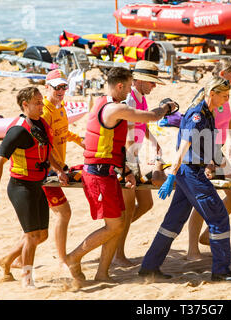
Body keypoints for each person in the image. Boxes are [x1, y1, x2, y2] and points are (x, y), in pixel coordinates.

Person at [65, 67, 174, 283]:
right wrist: (167, 107)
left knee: (119, 223)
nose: (130, 91)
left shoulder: (102, 102)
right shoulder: (114, 108)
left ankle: (103, 273)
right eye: (128, 86)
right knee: (115, 225)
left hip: (110, 171)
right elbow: (152, 116)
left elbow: (117, 144)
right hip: (98, 174)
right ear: (120, 85)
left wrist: (125, 170)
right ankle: (73, 257)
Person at [138, 77, 231, 283]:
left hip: (192, 171)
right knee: (219, 217)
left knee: (173, 221)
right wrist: (171, 176)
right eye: (224, 96)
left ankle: (149, 267)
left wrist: (210, 165)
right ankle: (221, 271)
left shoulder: (207, 111)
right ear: (211, 93)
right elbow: (182, 148)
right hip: (189, 173)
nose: (226, 100)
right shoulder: (197, 115)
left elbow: (205, 145)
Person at [0, 87, 68, 289]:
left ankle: (6, 260)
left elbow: (47, 153)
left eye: (41, 102)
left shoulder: (40, 124)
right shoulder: (18, 130)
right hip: (20, 187)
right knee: (31, 236)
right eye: (38, 103)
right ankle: (27, 279)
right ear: (25, 105)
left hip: (38, 185)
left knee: (41, 235)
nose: (42, 106)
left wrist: (58, 170)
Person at [10, 69, 85, 270]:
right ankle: (62, 259)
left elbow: (64, 132)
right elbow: (44, 145)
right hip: (46, 171)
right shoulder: (44, 111)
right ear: (46, 88)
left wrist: (81, 141)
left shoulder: (61, 108)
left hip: (57, 168)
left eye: (64, 86)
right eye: (56, 87)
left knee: (36, 231)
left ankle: (11, 260)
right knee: (63, 214)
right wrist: (58, 169)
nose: (60, 90)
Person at [187, 57, 231, 260]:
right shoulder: (206, 96)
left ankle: (207, 236)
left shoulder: (223, 95)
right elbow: (196, 129)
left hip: (217, 152)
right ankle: (192, 250)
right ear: (222, 75)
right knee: (201, 201)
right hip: (204, 154)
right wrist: (207, 160)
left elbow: (227, 120)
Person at [114, 60, 166, 266]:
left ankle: (113, 236)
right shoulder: (130, 99)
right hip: (124, 156)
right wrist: (130, 163)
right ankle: (117, 252)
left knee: (146, 204)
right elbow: (126, 132)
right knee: (126, 210)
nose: (154, 86)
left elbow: (141, 124)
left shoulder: (140, 98)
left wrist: (154, 142)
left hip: (132, 156)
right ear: (141, 80)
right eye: (152, 82)